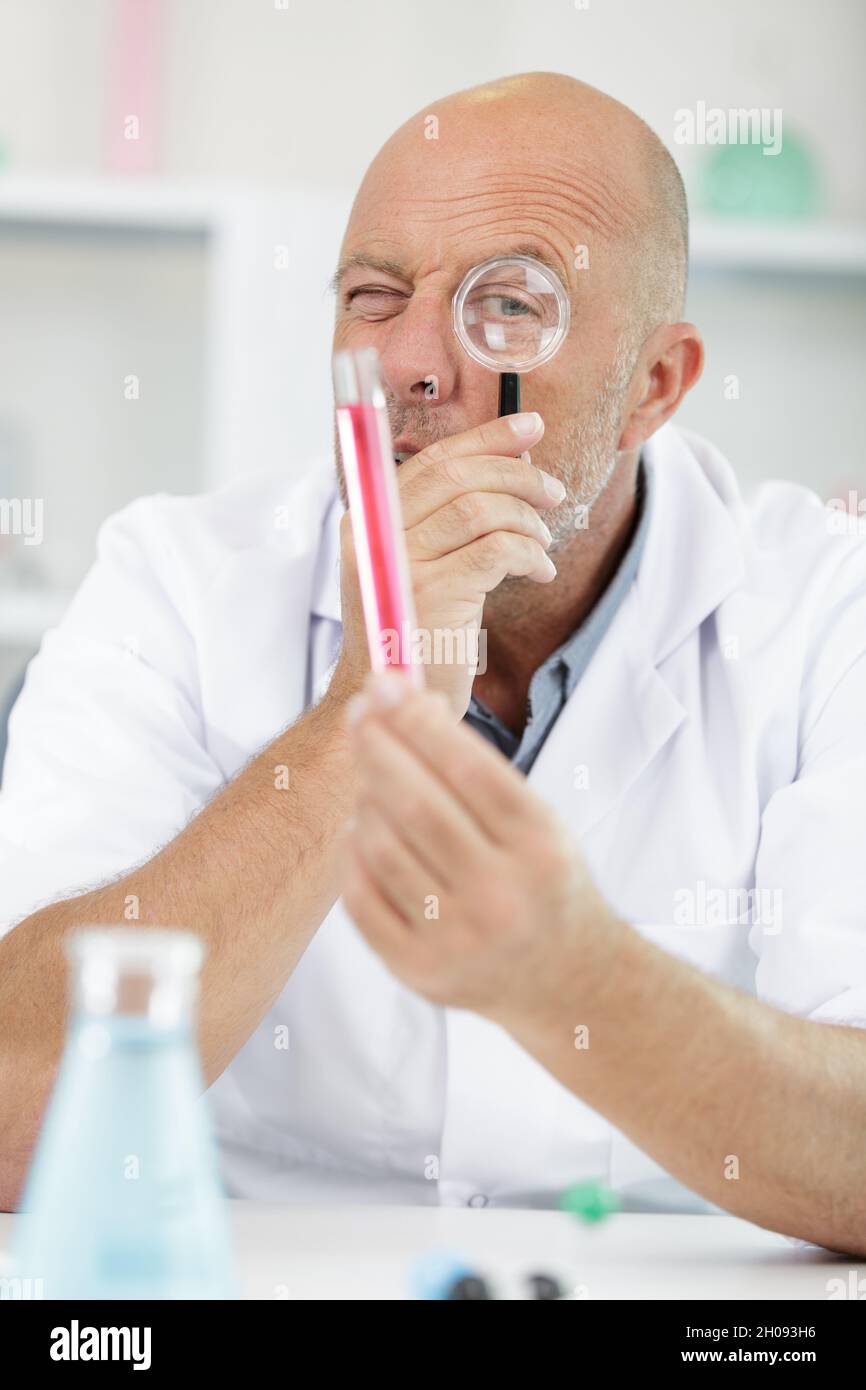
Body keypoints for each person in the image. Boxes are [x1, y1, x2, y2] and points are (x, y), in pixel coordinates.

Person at [1, 73, 865, 1254]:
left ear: (653, 387)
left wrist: (571, 976)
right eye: (374, 295)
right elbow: (11, 1116)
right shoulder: (172, 581)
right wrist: (368, 703)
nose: (412, 359)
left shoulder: (827, 606)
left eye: (507, 303)